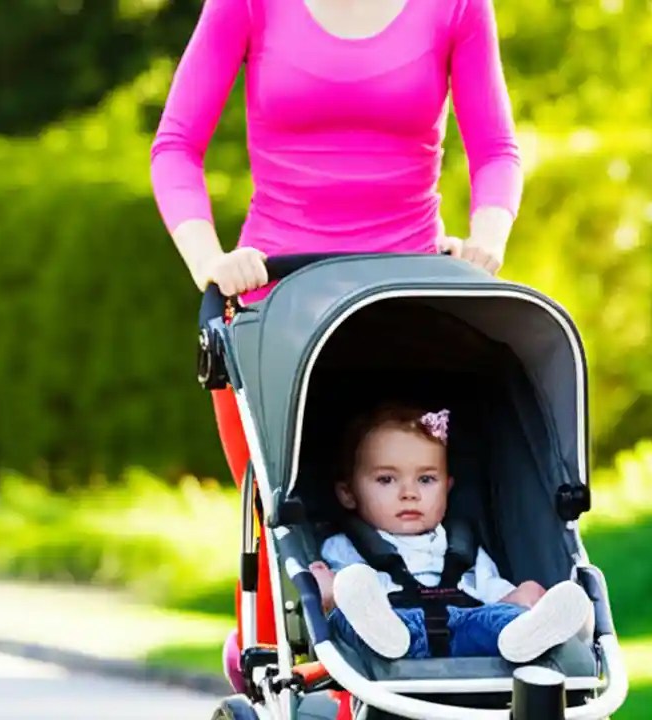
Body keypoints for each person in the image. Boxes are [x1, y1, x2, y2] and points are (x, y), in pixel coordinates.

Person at [149, 0, 526, 678]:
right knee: (286, 519)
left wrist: (487, 245)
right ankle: (290, 636)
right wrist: (211, 262)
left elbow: (496, 149)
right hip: (276, 316)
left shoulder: (459, 7)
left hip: (403, 311)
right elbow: (176, 146)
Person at [309, 403, 592, 661]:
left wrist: (519, 599)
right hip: (390, 623)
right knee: (348, 614)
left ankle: (525, 634)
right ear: (348, 493)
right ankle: (389, 637)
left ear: (447, 487)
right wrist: (329, 591)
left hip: (465, 625)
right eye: (386, 479)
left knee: (496, 619)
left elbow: (491, 589)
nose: (410, 493)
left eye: (426, 479)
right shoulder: (344, 546)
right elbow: (355, 592)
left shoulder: (462, 545)